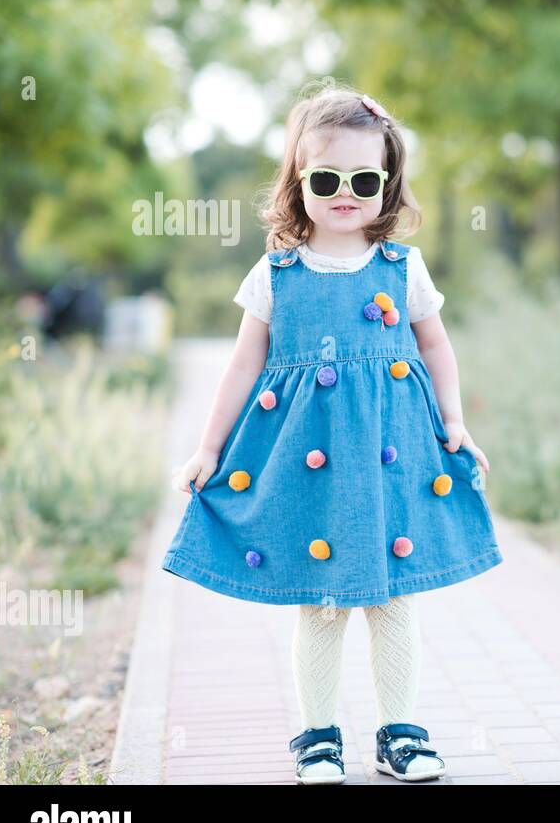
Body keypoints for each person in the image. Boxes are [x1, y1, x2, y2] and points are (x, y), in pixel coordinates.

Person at [163, 83, 501, 784]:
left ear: (387, 185)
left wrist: (455, 419)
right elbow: (242, 363)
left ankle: (400, 732)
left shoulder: (403, 268)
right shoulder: (276, 274)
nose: (344, 192)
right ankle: (318, 735)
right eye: (325, 178)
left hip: (390, 456)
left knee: (390, 593)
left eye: (363, 179)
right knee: (321, 599)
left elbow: (436, 345)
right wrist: (207, 446)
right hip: (308, 461)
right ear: (298, 182)